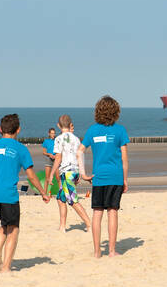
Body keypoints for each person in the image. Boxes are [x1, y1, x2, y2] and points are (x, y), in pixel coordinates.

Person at [0, 113, 50, 272]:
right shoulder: (20, 149)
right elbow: (31, 176)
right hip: (7, 193)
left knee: (4, 224)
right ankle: (5, 267)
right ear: (18, 129)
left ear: (0, 129)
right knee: (13, 228)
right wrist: (43, 192)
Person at [82, 95, 130, 258]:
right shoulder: (120, 130)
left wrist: (83, 173)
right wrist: (125, 179)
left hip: (99, 177)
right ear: (116, 111)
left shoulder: (92, 130)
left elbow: (80, 151)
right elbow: (124, 158)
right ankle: (111, 251)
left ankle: (97, 252)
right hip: (115, 176)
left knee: (97, 213)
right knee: (112, 212)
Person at [48, 114, 90, 231]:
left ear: (58, 125)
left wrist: (51, 174)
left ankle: (89, 224)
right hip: (74, 171)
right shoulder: (76, 139)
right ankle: (62, 227)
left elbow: (58, 158)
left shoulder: (58, 139)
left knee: (72, 200)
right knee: (60, 198)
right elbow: (80, 155)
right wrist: (81, 173)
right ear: (70, 124)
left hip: (67, 172)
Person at [42, 127, 58, 196]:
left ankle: (59, 193)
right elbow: (44, 152)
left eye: (54, 133)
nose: (53, 134)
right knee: (47, 178)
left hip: (56, 159)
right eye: (52, 133)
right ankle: (45, 193)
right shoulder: (46, 141)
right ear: (49, 134)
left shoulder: (57, 140)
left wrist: (56, 156)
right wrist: (49, 154)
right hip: (49, 159)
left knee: (58, 177)